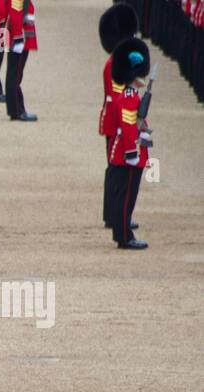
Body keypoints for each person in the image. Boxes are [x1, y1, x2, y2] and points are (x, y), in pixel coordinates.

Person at [105, 37, 152, 249]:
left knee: (125, 196)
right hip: (127, 156)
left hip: (126, 152)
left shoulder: (130, 96)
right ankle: (125, 236)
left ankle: (122, 232)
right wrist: (132, 152)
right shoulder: (129, 98)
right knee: (126, 198)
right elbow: (128, 126)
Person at [99, 4, 140, 232]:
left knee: (115, 172)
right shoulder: (115, 65)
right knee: (118, 173)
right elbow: (120, 99)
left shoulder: (117, 61)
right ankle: (116, 216)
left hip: (114, 121)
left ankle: (113, 215)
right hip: (116, 124)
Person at [5, 0, 38, 121]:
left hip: (18, 36)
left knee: (14, 73)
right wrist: (18, 38)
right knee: (15, 74)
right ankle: (17, 110)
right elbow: (15, 12)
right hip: (19, 38)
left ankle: (14, 109)